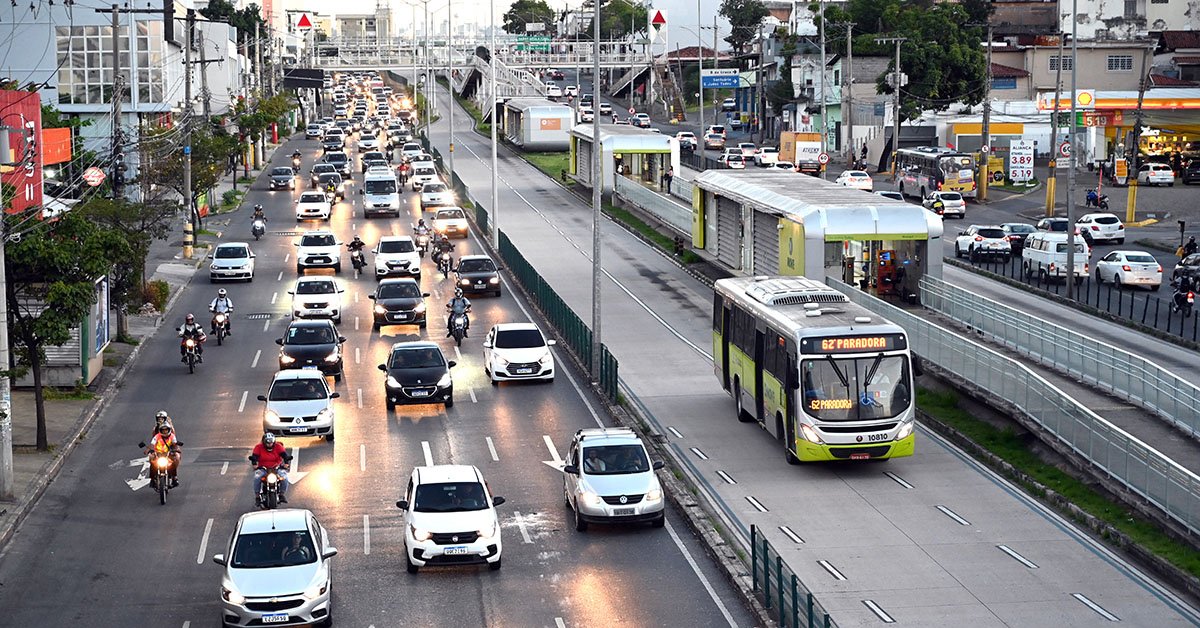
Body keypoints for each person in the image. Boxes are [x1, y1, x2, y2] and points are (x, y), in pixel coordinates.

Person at [249, 432, 292, 506]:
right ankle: (257, 496)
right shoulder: (258, 447)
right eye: (268, 443)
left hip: (276, 468)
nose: (270, 444)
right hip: (263, 468)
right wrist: (254, 464)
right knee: (257, 477)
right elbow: (254, 457)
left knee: (284, 478)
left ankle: (282, 494)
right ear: (264, 442)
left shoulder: (278, 446)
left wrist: (286, 463)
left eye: (271, 443)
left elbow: (284, 455)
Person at [145, 421, 182, 488]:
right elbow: (152, 444)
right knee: (153, 464)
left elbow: (175, 444)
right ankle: (152, 480)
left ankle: (174, 478)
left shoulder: (172, 436)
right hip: (158, 453)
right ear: (160, 430)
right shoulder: (157, 436)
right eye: (163, 430)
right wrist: (149, 450)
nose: (165, 432)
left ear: (169, 430)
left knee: (172, 463)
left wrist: (175, 450)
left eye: (166, 430)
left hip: (167, 453)